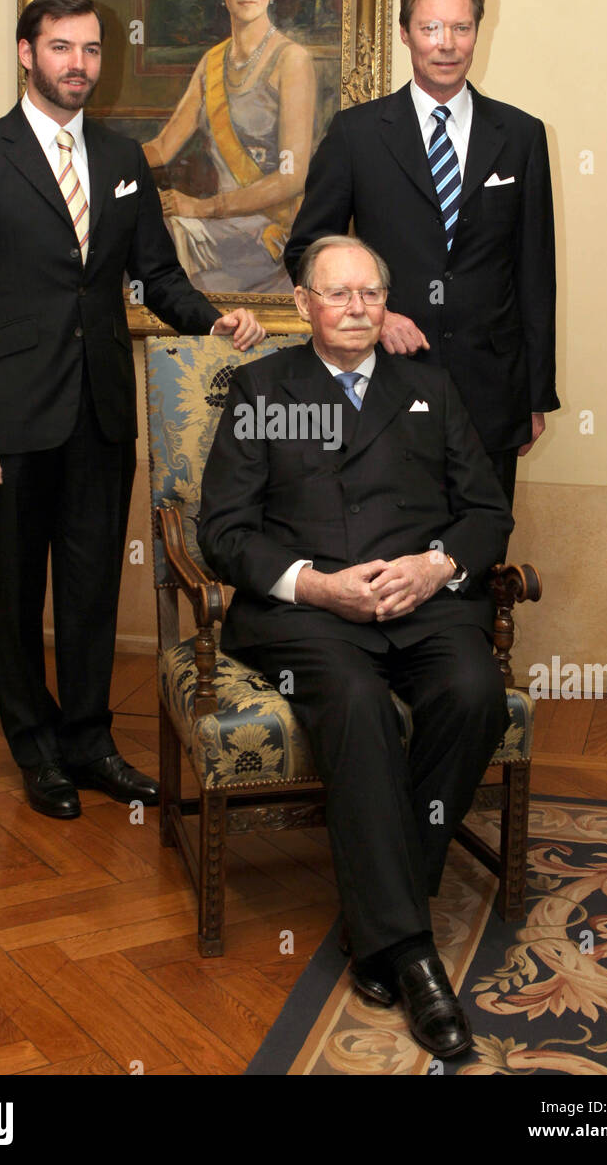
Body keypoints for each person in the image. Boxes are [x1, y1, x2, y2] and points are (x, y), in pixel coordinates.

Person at [0, 0, 265, 822]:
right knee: (15, 593)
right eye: (62, 48)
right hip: (5, 424)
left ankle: (89, 741)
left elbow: (155, 274)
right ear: (25, 54)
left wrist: (213, 316)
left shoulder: (119, 160)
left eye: (92, 51)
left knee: (89, 587)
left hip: (100, 416)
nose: (79, 64)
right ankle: (35, 751)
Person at [198, 235, 513, 1060]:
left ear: (385, 302)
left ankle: (377, 915)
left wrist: (436, 564)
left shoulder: (429, 387)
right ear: (302, 305)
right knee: (360, 706)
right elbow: (222, 534)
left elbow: (485, 513)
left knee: (474, 692)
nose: (354, 308)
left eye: (369, 293)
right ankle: (409, 952)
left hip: (420, 604)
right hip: (310, 614)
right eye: (335, 294)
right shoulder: (262, 389)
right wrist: (315, 584)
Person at [285, 0, 559, 506]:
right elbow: (305, 252)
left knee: (476, 560)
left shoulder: (522, 136)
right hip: (379, 385)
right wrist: (376, 315)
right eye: (431, 28)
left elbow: (536, 272)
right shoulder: (356, 134)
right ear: (406, 33)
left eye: (461, 28)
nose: (447, 44)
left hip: (491, 394)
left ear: (478, 32)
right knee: (390, 558)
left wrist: (536, 394)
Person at [143, 0, 317, 295]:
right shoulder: (212, 61)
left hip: (270, 235)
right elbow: (161, 148)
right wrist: (94, 156)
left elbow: (292, 178)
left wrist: (204, 208)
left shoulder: (292, 60)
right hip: (218, 231)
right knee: (143, 236)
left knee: (171, 241)